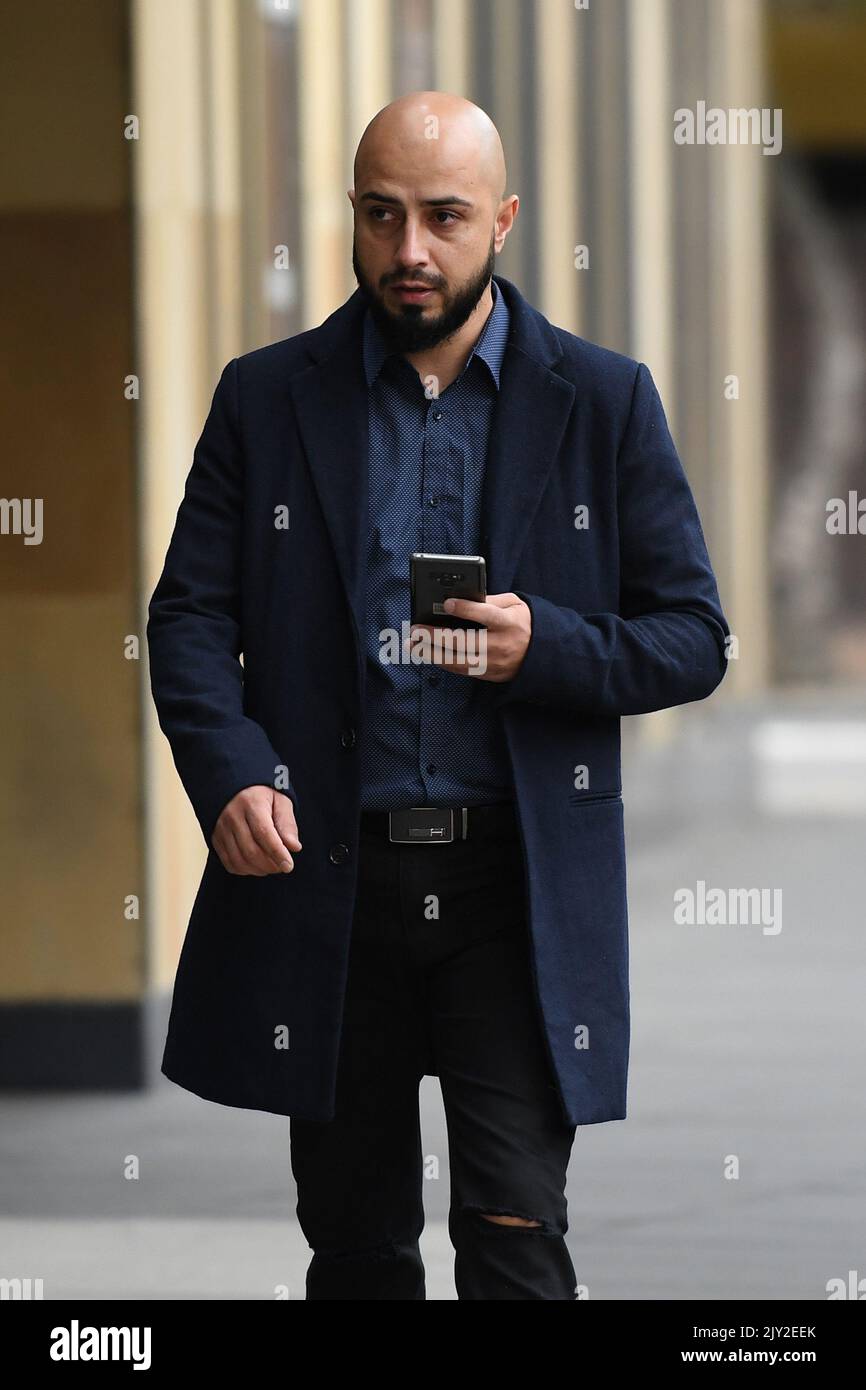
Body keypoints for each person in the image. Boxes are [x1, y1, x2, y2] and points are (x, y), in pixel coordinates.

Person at [147, 91, 730, 1300]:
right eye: (381, 215)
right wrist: (232, 772)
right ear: (352, 220)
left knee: (516, 1243)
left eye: (443, 217)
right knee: (355, 1251)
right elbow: (190, 616)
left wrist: (546, 647)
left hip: (510, 898)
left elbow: (692, 638)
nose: (409, 251)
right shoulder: (266, 396)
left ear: (503, 221)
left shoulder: (602, 399)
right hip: (334, 890)